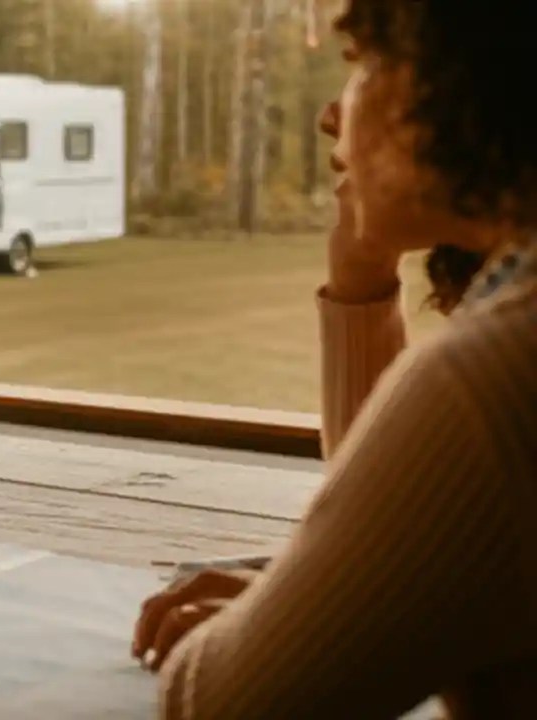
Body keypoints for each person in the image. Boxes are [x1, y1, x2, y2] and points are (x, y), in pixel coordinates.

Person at [131, 0, 537, 717]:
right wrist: (361, 276)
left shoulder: (498, 378)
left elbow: (221, 705)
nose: (330, 116)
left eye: (366, 63)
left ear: (455, 84)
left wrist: (266, 628)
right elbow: (403, 522)